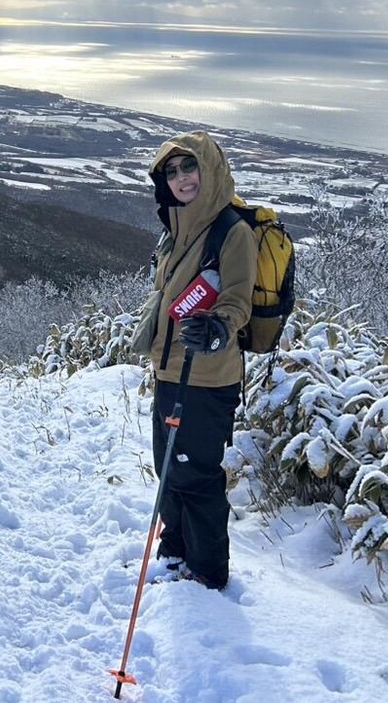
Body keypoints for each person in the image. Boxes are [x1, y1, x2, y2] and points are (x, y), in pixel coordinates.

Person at [132, 130, 256, 590]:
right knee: (168, 468)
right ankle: (176, 551)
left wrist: (218, 328)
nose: (182, 178)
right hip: (169, 370)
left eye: (190, 167)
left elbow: (238, 299)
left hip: (206, 377)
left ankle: (207, 572)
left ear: (211, 170)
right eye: (172, 170)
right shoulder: (178, 228)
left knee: (196, 475)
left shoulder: (232, 231)